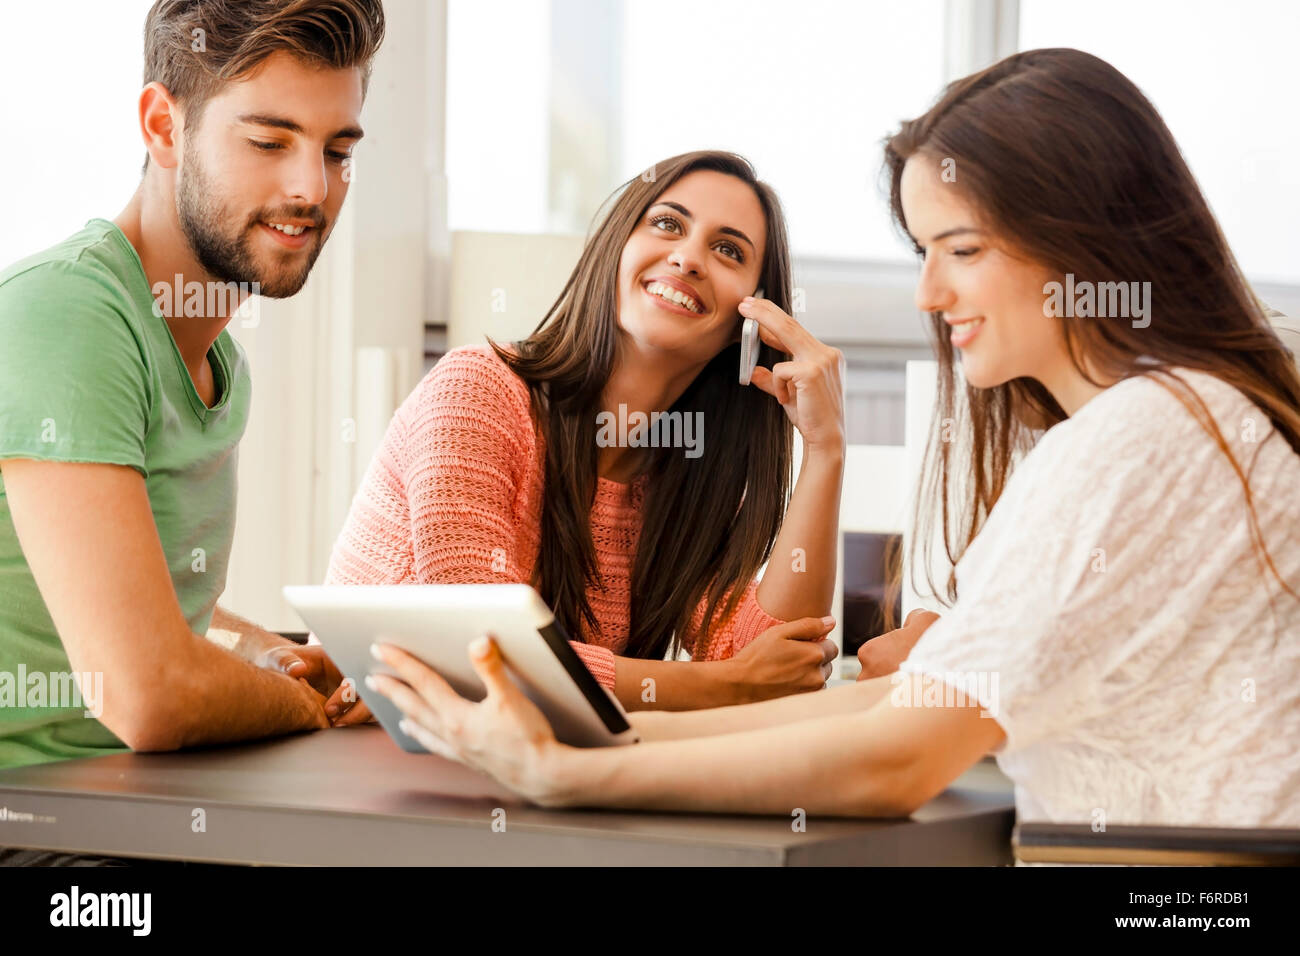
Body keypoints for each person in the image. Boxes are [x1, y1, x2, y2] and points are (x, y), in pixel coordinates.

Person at [366, 49, 1300, 828]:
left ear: (1086, 241)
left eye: (962, 250)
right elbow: (876, 704)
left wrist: (569, 770)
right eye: (925, 254)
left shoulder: (1144, 435)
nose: (930, 297)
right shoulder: (1180, 419)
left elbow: (884, 743)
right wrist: (584, 739)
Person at [0, 0, 386, 782]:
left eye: (337, 151)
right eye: (270, 141)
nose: (311, 188)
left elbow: (145, 609)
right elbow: (148, 694)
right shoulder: (68, 315)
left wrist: (268, 651)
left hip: (142, 806)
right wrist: (300, 705)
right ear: (163, 126)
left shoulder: (215, 360)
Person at [326, 150, 846, 715]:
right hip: (368, 757)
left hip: (517, 773)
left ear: (749, 326)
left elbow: (778, 666)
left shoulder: (681, 468)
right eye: (668, 223)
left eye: (728, 250)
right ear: (615, 248)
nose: (689, 258)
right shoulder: (477, 389)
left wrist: (825, 450)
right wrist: (724, 686)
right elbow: (480, 647)